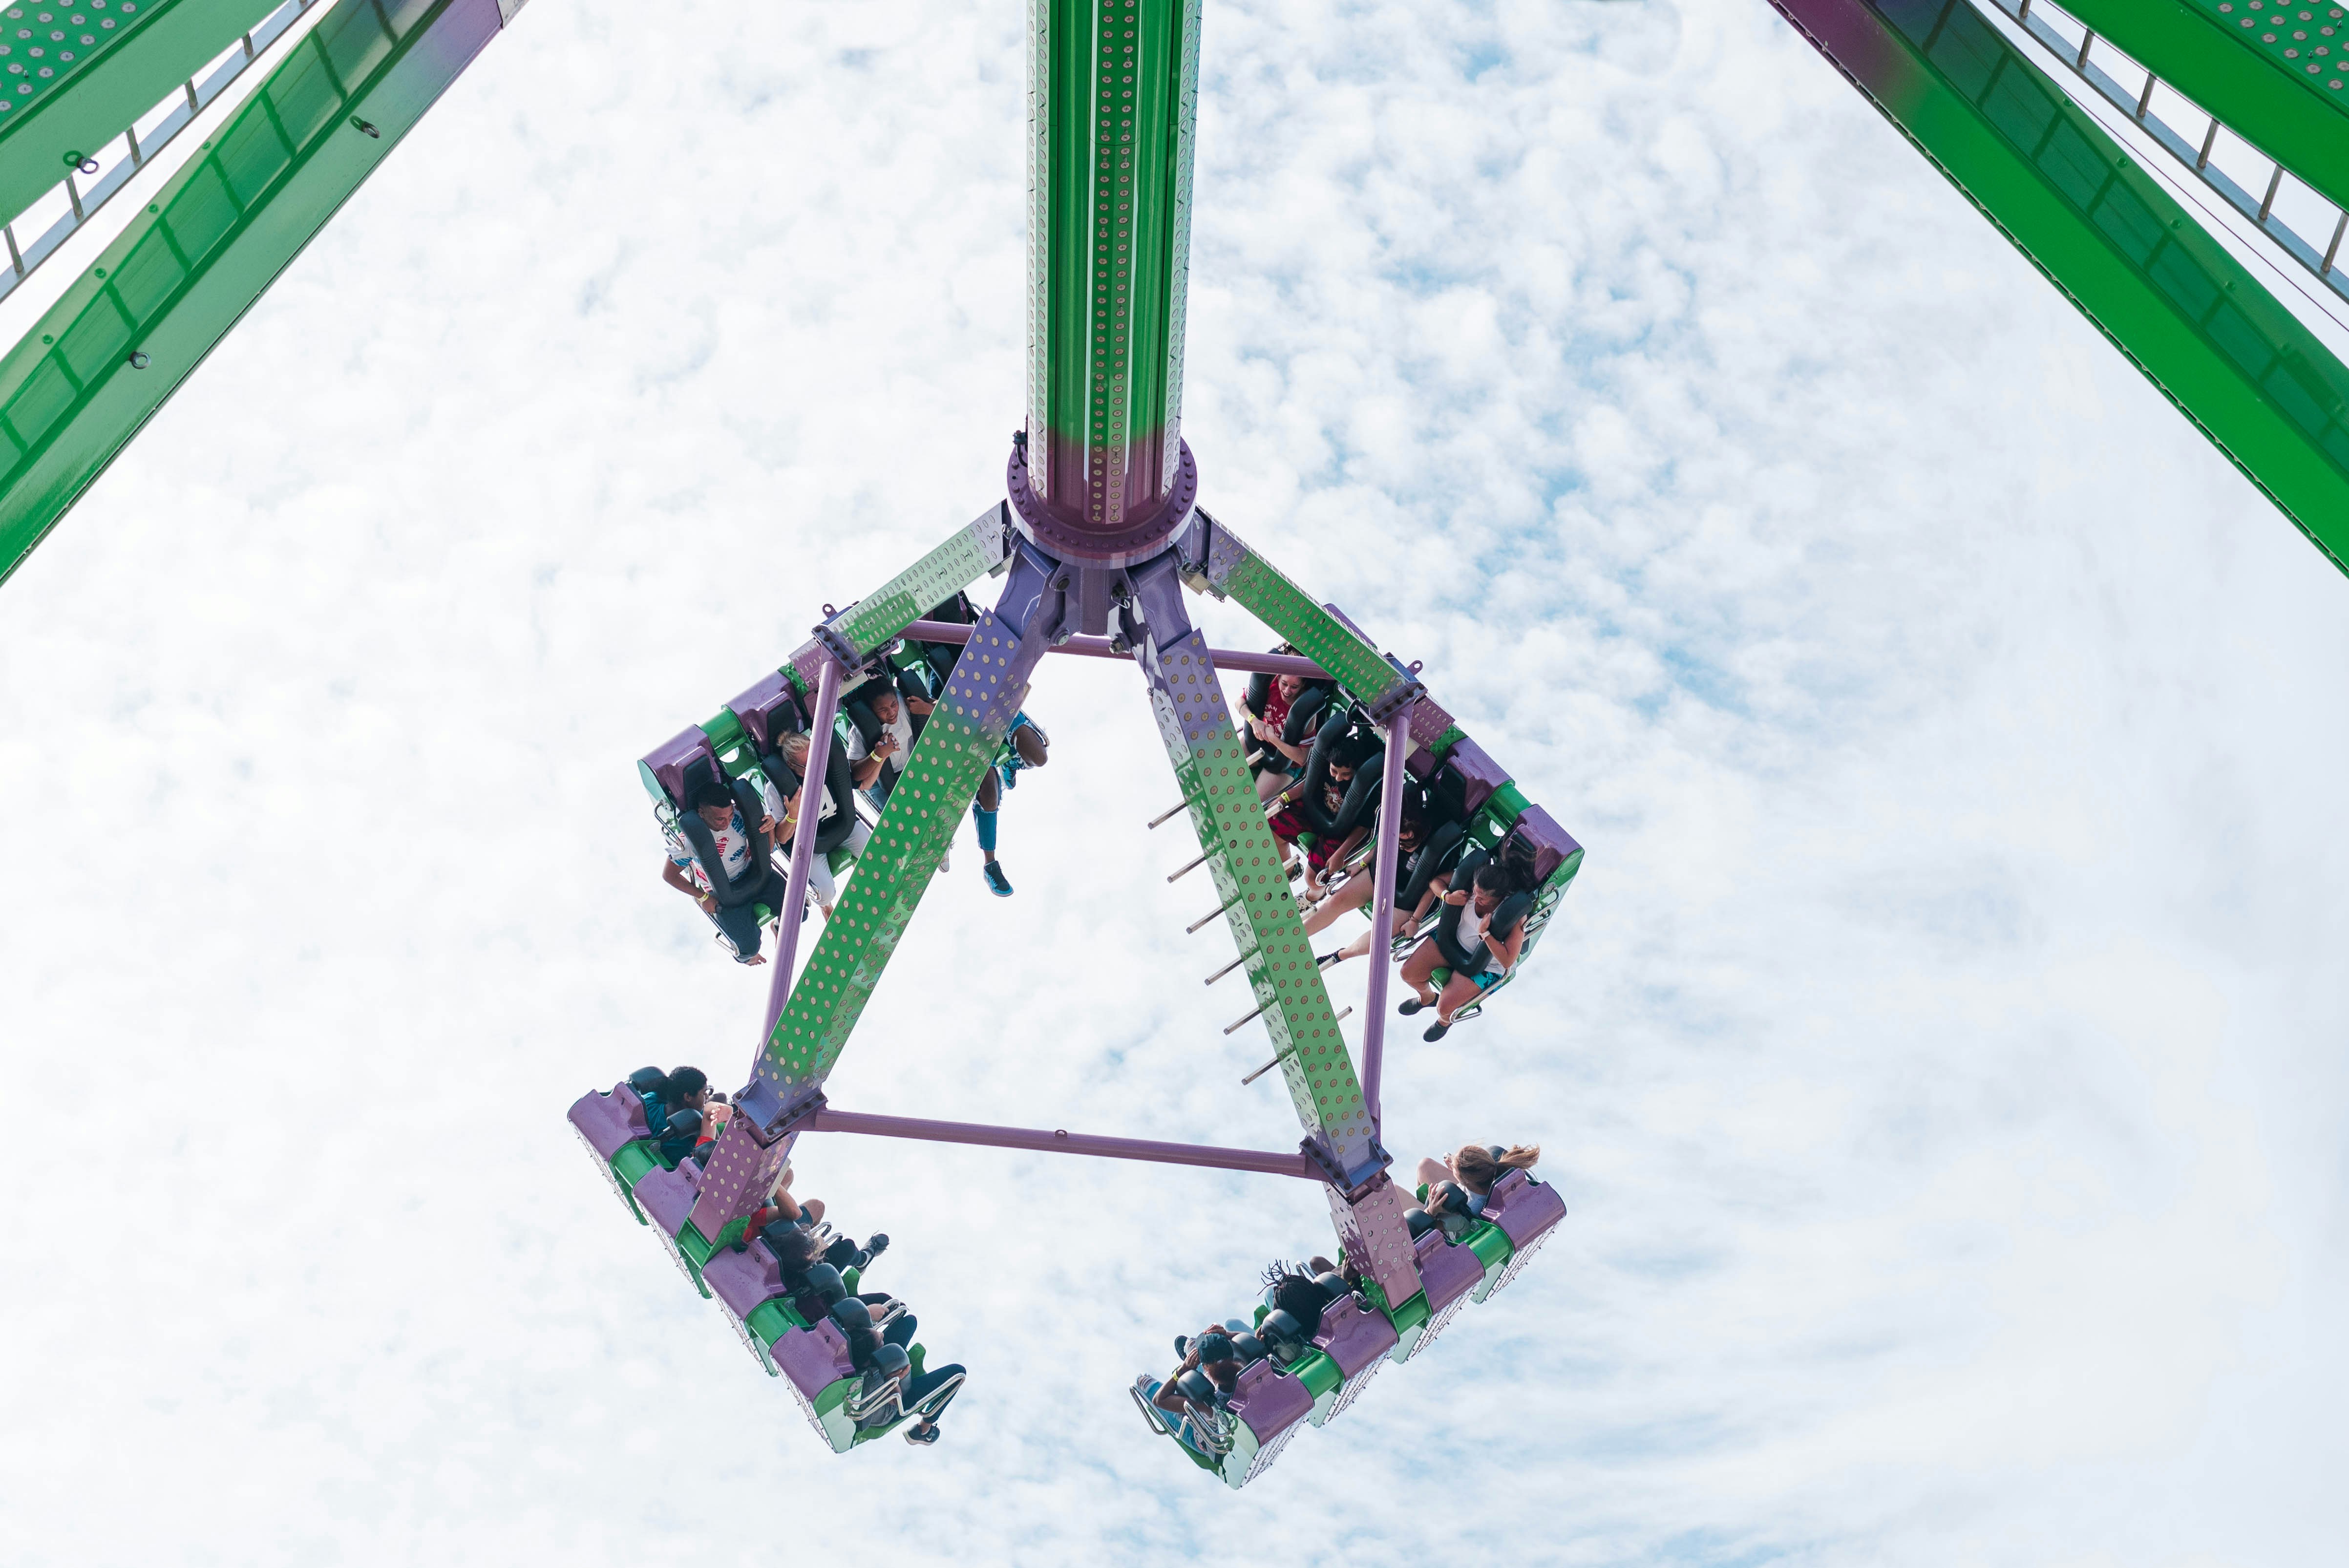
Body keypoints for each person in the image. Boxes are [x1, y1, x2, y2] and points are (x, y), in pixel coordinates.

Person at [1397, 837, 1539, 1041]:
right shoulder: (1478, 883)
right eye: (1475, 891)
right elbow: (1435, 882)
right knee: (1408, 973)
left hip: (1486, 965)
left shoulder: (1512, 914)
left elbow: (1508, 960)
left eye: (1481, 898)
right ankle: (1426, 997)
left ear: (1498, 897)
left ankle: (1444, 1022)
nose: (1475, 897)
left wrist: (1487, 934)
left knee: (1444, 1007)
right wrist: (1448, 896)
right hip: (1453, 940)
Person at [660, 775, 789, 965]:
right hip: (724, 894)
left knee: (799, 913)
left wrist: (769, 828)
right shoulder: (689, 841)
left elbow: (767, 850)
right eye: (720, 819)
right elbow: (669, 875)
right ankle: (747, 957)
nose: (726, 823)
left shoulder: (738, 816)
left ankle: (777, 926)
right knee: (748, 948)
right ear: (702, 814)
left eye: (729, 816)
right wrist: (702, 897)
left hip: (754, 875)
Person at [771, 730, 872, 915]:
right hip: (810, 845)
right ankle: (826, 907)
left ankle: (864, 884)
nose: (815, 768)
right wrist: (792, 815)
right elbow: (781, 838)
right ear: (790, 765)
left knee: (874, 855)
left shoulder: (828, 762)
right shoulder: (774, 788)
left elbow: (857, 784)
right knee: (826, 892)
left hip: (841, 826)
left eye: (816, 758)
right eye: (806, 766)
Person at [972, 713, 1050, 896]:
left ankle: (1012, 761)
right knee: (991, 791)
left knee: (1040, 757)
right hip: (966, 726)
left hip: (997, 709)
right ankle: (990, 863)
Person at [844, 681, 918, 805]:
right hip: (880, 781)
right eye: (883, 710)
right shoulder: (858, 733)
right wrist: (878, 754)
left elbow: (937, 704)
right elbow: (856, 775)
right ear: (870, 711)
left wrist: (927, 709)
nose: (892, 712)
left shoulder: (902, 701)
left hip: (910, 766)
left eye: (894, 704)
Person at [1414, 1142, 1541, 1203]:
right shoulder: (1487, 1176)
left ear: (1465, 1181)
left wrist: (1430, 1210)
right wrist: (1457, 1167)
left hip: (1446, 1218)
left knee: (1395, 1190)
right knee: (1424, 1166)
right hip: (1471, 1188)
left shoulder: (1471, 1206)